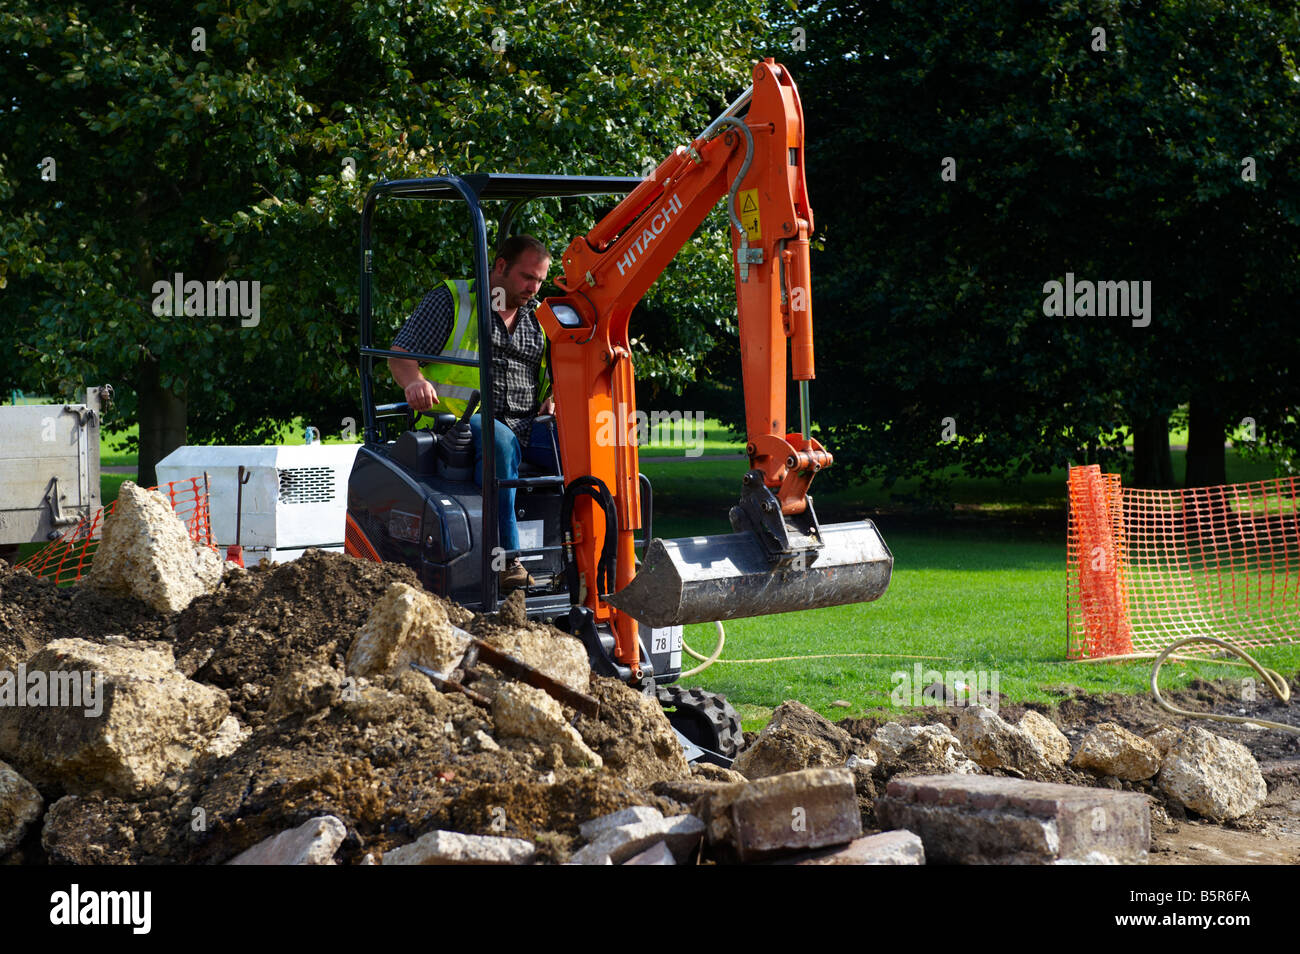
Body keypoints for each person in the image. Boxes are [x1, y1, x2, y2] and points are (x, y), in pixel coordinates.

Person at [388, 235, 558, 592]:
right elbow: (401, 355)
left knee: (585, 441)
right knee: (501, 443)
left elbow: (558, 372)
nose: (534, 287)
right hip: (462, 420)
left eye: (540, 280)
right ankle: (507, 560)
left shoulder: (538, 317)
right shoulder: (454, 300)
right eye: (527, 277)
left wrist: (555, 397)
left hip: (528, 422)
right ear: (499, 266)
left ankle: (598, 550)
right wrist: (414, 382)